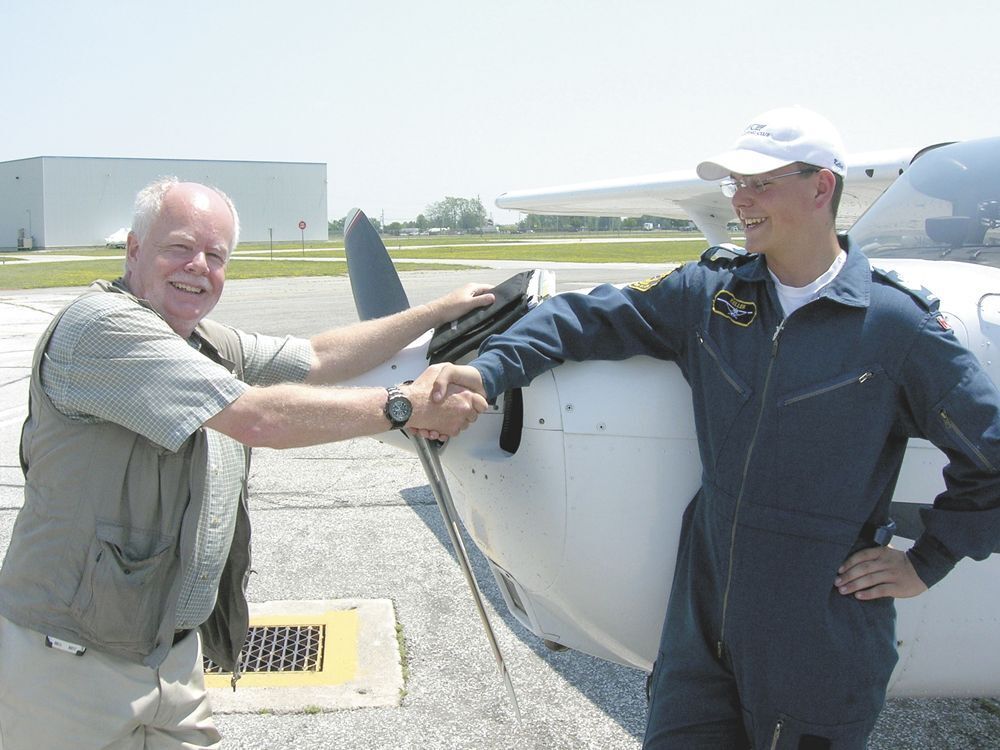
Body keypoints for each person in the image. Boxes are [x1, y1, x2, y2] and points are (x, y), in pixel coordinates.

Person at [428, 107, 1000, 748]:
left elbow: (993, 455)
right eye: (735, 184)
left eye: (760, 184)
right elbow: (586, 316)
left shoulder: (897, 326)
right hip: (703, 621)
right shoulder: (711, 293)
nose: (741, 201)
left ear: (821, 188)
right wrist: (489, 371)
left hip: (819, 637)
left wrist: (929, 559)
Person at [0, 177, 495, 749]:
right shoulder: (102, 329)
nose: (198, 267)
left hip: (169, 656)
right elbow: (257, 417)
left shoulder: (201, 340)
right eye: (179, 248)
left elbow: (316, 357)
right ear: (134, 251)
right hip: (67, 664)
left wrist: (440, 311)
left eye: (216, 256)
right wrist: (405, 406)